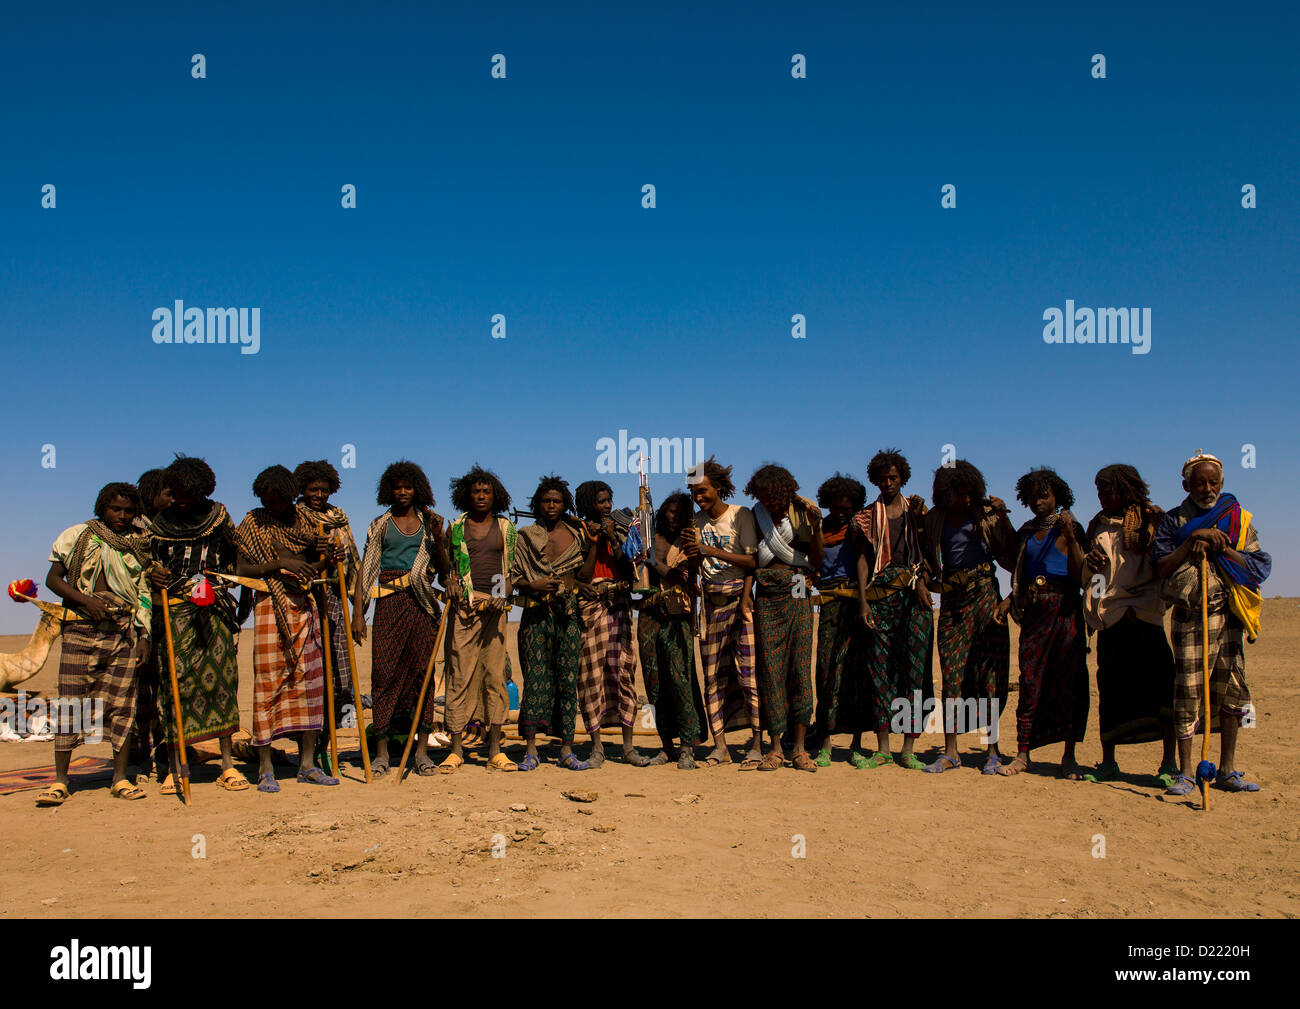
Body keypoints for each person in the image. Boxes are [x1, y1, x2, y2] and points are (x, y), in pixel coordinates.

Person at [1152, 451, 1271, 796]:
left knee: (1232, 689)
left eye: (1213, 482)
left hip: (1230, 616)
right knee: (1188, 691)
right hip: (1190, 617)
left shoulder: (1238, 519)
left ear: (1222, 483)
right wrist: (1191, 542)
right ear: (1186, 484)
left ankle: (1228, 769)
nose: (1207, 488)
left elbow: (1258, 566)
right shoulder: (1173, 522)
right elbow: (1160, 568)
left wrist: (1223, 548)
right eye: (1200, 483)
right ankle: (1186, 772)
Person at [35, 483, 153, 805]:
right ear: (102, 507)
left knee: (122, 706)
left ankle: (120, 778)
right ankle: (61, 780)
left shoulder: (138, 546)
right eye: (116, 509)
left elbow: (143, 593)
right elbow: (53, 580)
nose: (122, 516)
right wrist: (86, 601)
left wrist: (144, 636)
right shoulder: (78, 536)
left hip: (123, 633)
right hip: (80, 631)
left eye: (129, 511)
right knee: (71, 704)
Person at [146, 455, 248, 793]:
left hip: (213, 611)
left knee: (221, 684)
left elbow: (236, 560)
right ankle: (176, 767)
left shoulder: (218, 517)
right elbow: (148, 565)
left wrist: (223, 583)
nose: (180, 500)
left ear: (202, 490)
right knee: (177, 688)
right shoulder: (160, 523)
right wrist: (155, 574)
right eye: (176, 493)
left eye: (187, 494)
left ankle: (228, 765)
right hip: (173, 612)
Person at [236, 466, 337, 792]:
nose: (272, 505)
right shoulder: (253, 522)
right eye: (266, 499)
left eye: (278, 499)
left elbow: (315, 566)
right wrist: (279, 565)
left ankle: (306, 764)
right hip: (268, 608)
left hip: (304, 607)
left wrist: (328, 559)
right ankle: (265, 767)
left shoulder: (308, 524)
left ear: (290, 495)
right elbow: (239, 567)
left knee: (309, 686)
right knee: (268, 685)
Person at [1080, 464, 1177, 785]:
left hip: (1145, 616)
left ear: (1125, 489)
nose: (1103, 496)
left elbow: (1164, 567)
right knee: (1111, 690)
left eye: (1108, 490)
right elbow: (1091, 579)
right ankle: (1108, 763)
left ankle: (1169, 764)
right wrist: (1088, 564)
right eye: (1099, 491)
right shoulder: (1097, 526)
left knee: (1161, 691)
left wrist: (1146, 604)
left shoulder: (1152, 520)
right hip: (1111, 617)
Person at [352, 461, 449, 777]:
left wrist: (439, 536)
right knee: (384, 673)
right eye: (398, 487)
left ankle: (421, 753)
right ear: (389, 490)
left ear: (418, 489)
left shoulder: (431, 523)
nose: (403, 492)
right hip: (388, 604)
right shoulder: (380, 524)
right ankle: (381, 753)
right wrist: (357, 613)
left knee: (422, 675)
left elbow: (446, 571)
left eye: (408, 486)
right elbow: (365, 570)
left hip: (422, 604)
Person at [919, 460, 1017, 774]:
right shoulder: (934, 519)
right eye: (959, 494)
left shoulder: (986, 515)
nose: (966, 500)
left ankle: (992, 750)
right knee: (952, 677)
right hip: (951, 600)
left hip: (985, 594)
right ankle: (950, 752)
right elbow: (922, 557)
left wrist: (1001, 519)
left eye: (969, 493)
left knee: (989, 676)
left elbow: (1013, 554)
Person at [998, 468, 1090, 779]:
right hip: (1035, 614)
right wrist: (1011, 598)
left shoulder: (1071, 528)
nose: (1039, 501)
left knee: (1068, 681)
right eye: (1033, 496)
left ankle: (1069, 757)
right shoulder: (1026, 532)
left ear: (1057, 496)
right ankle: (1023, 754)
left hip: (1065, 611)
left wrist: (1070, 535)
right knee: (1030, 680)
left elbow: (1081, 575)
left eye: (1045, 495)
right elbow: (1020, 573)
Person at [850, 451, 933, 770]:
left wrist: (923, 580)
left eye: (893, 478)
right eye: (883, 478)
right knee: (880, 671)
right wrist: (863, 601)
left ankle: (908, 748)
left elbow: (928, 551)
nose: (888, 483)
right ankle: (883, 748)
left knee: (914, 671)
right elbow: (862, 560)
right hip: (880, 596)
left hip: (915, 598)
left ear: (903, 479)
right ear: (875, 480)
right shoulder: (866, 517)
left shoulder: (918, 511)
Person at [684, 456, 761, 768]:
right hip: (710, 605)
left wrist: (745, 601)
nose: (698, 498)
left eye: (703, 491)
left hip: (738, 602)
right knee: (712, 677)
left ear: (718, 488)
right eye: (694, 493)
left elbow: (752, 563)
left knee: (748, 675)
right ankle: (721, 747)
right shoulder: (695, 523)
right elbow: (695, 564)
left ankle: (757, 743)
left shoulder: (740, 515)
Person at [439, 466, 517, 773]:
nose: (481, 496)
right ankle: (456, 749)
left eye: (486, 492)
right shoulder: (457, 527)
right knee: (459, 674)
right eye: (476, 491)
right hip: (464, 610)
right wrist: (450, 582)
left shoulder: (505, 528)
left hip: (495, 610)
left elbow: (512, 573)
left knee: (494, 676)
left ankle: (495, 750)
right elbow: (445, 567)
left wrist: (501, 594)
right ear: (466, 495)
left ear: (495, 495)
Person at [746, 464, 822, 772]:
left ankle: (800, 749)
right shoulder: (755, 516)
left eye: (773, 496)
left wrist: (817, 528)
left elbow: (816, 561)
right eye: (762, 497)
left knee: (800, 669)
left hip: (797, 586)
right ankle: (775, 748)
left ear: (785, 491)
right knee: (771, 670)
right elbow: (752, 559)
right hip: (766, 593)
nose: (768, 502)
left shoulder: (803, 514)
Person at [512, 475, 590, 771]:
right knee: (534, 680)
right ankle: (531, 750)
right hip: (534, 616)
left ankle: (566, 750)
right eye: (546, 501)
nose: (551, 505)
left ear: (564, 503)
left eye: (557, 501)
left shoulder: (577, 535)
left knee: (568, 681)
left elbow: (583, 576)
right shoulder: (525, 536)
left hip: (568, 616)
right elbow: (513, 579)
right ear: (538, 504)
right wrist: (534, 585)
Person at [573, 480, 651, 768]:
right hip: (590, 607)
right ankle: (596, 748)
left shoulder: (622, 527)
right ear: (587, 504)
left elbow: (629, 571)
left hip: (618, 605)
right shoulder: (577, 531)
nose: (607, 506)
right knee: (591, 676)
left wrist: (613, 539)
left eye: (609, 500)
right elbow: (579, 575)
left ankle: (628, 747)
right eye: (601, 501)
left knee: (623, 673)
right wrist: (594, 543)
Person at [295, 459, 362, 772]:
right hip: (305, 599)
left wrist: (357, 606)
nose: (318, 495)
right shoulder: (295, 518)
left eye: (323, 489)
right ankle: (310, 752)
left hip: (334, 598)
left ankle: (328, 748)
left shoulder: (339, 517)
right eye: (312, 489)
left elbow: (354, 562)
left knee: (337, 677)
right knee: (309, 676)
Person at [637, 491, 708, 768]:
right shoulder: (648, 539)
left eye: (680, 513)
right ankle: (666, 746)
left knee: (681, 680)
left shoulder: (689, 542)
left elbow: (684, 576)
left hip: (678, 616)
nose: (674, 517)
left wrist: (654, 563)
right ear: (662, 511)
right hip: (648, 616)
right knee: (654, 682)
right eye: (670, 511)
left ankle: (688, 746)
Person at [808, 473, 870, 766]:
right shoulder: (820, 529)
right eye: (837, 507)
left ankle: (857, 744)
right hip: (829, 605)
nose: (842, 513)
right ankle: (825, 742)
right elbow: (817, 562)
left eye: (848, 508)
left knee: (854, 673)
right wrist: (817, 530)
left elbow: (862, 561)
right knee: (825, 671)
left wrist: (862, 601)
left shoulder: (859, 529)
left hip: (854, 604)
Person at [126, 466, 172, 779]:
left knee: (167, 685)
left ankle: (165, 753)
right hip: (138, 617)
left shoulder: (171, 528)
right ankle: (138, 757)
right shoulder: (133, 532)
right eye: (169, 493)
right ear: (153, 493)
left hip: (168, 614)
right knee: (140, 687)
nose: (174, 499)